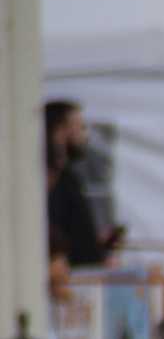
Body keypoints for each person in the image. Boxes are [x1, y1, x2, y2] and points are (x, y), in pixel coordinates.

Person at [44, 101, 117, 269]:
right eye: (81, 127)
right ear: (61, 130)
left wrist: (95, 245)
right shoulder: (48, 178)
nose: (85, 135)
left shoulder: (68, 177)